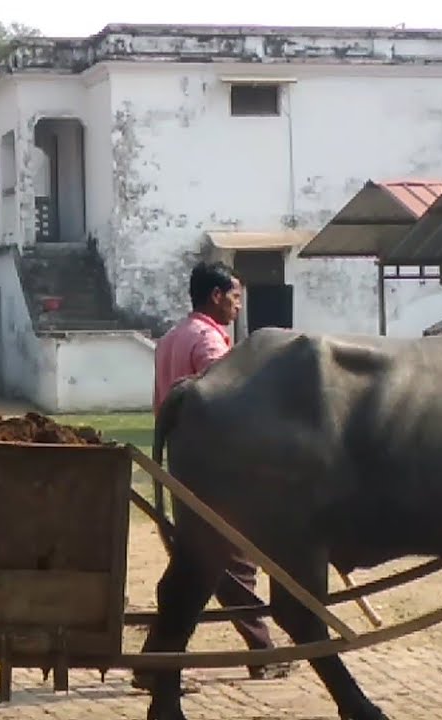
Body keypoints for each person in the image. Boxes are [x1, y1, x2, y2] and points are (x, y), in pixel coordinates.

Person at [132, 260, 295, 691]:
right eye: (236, 297)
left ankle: (157, 661)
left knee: (206, 560)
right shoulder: (207, 340)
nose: (239, 306)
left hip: (183, 459)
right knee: (224, 558)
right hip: (213, 464)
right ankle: (261, 652)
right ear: (217, 296)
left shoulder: (171, 337)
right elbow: (228, 401)